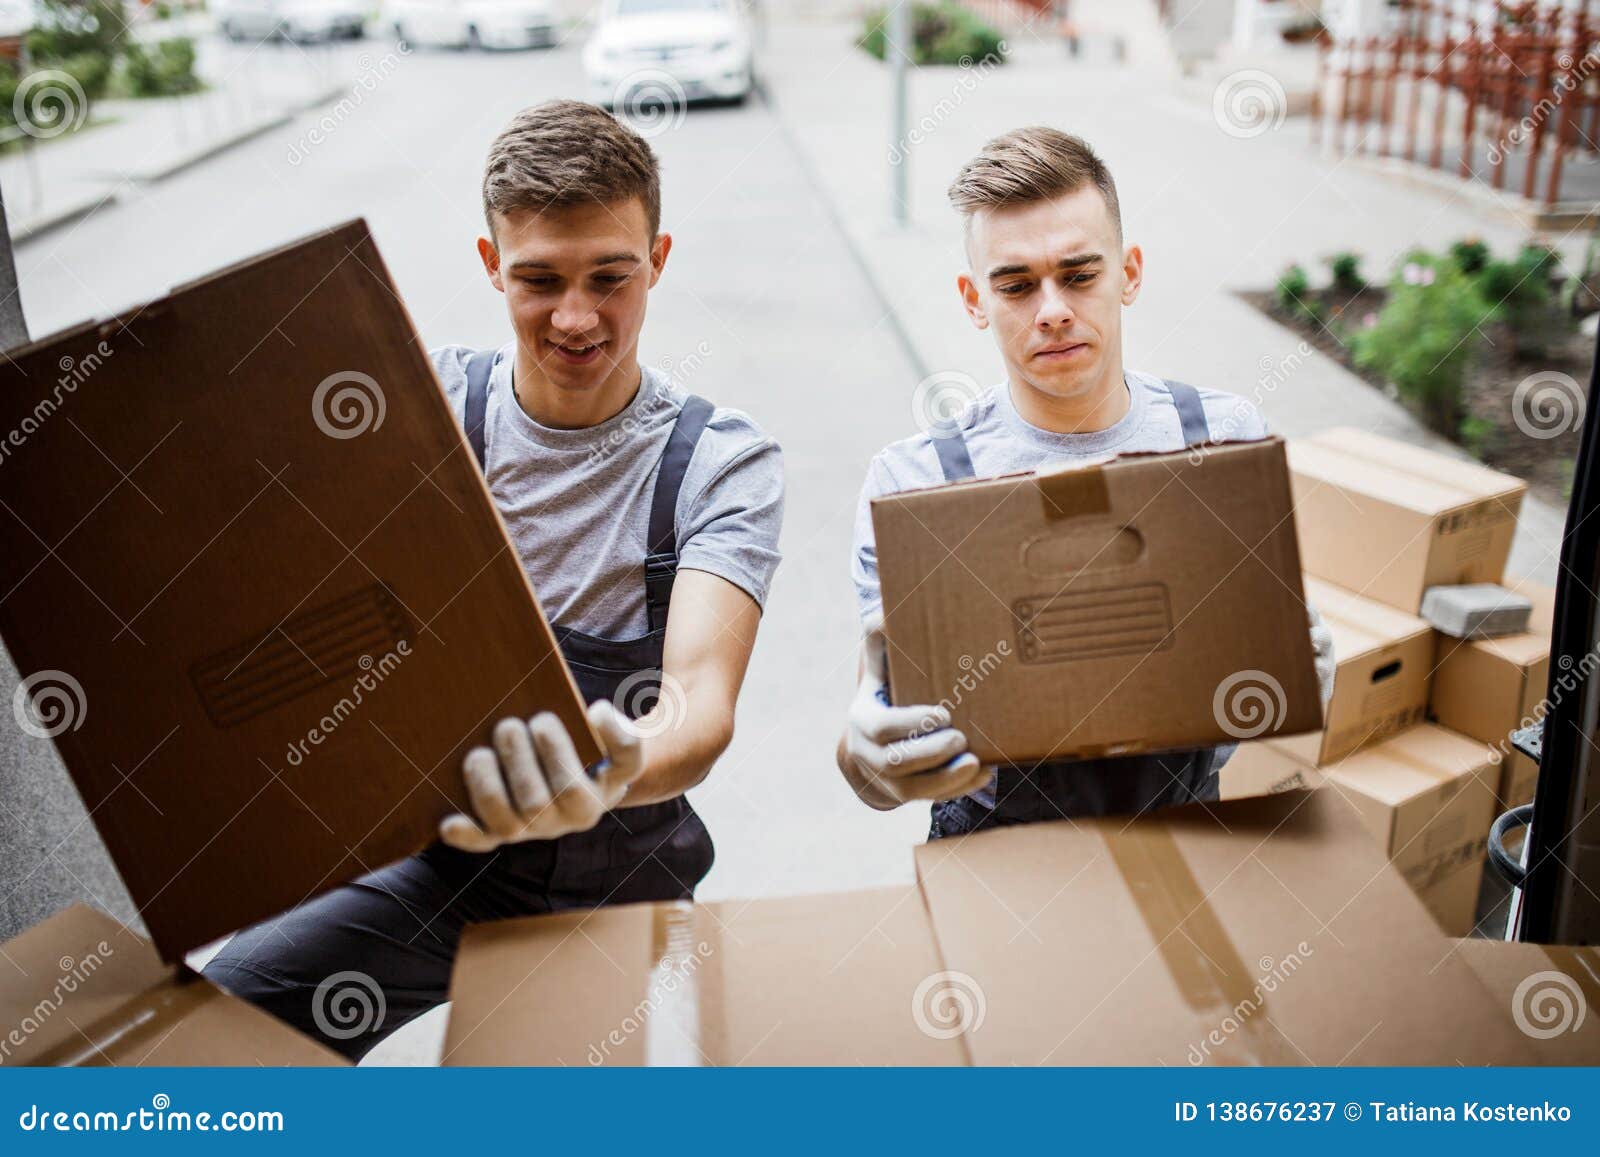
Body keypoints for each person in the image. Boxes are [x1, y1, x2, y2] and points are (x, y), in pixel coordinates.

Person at [203, 100, 784, 1060]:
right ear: (489, 266)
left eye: (611, 276)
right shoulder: (427, 407)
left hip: (613, 876)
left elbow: (698, 705)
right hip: (431, 858)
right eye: (538, 280)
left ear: (660, 257)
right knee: (218, 1028)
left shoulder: (719, 460)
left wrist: (607, 770)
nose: (577, 317)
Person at [837, 126, 1334, 835]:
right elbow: (881, 767)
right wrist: (867, 759)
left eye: (1079, 275)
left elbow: (1259, 694)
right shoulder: (913, 485)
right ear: (974, 299)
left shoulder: (1223, 444)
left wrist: (1297, 681)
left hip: (1188, 836)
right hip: (996, 859)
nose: (1052, 310)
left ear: (1129, 273)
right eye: (1015, 285)